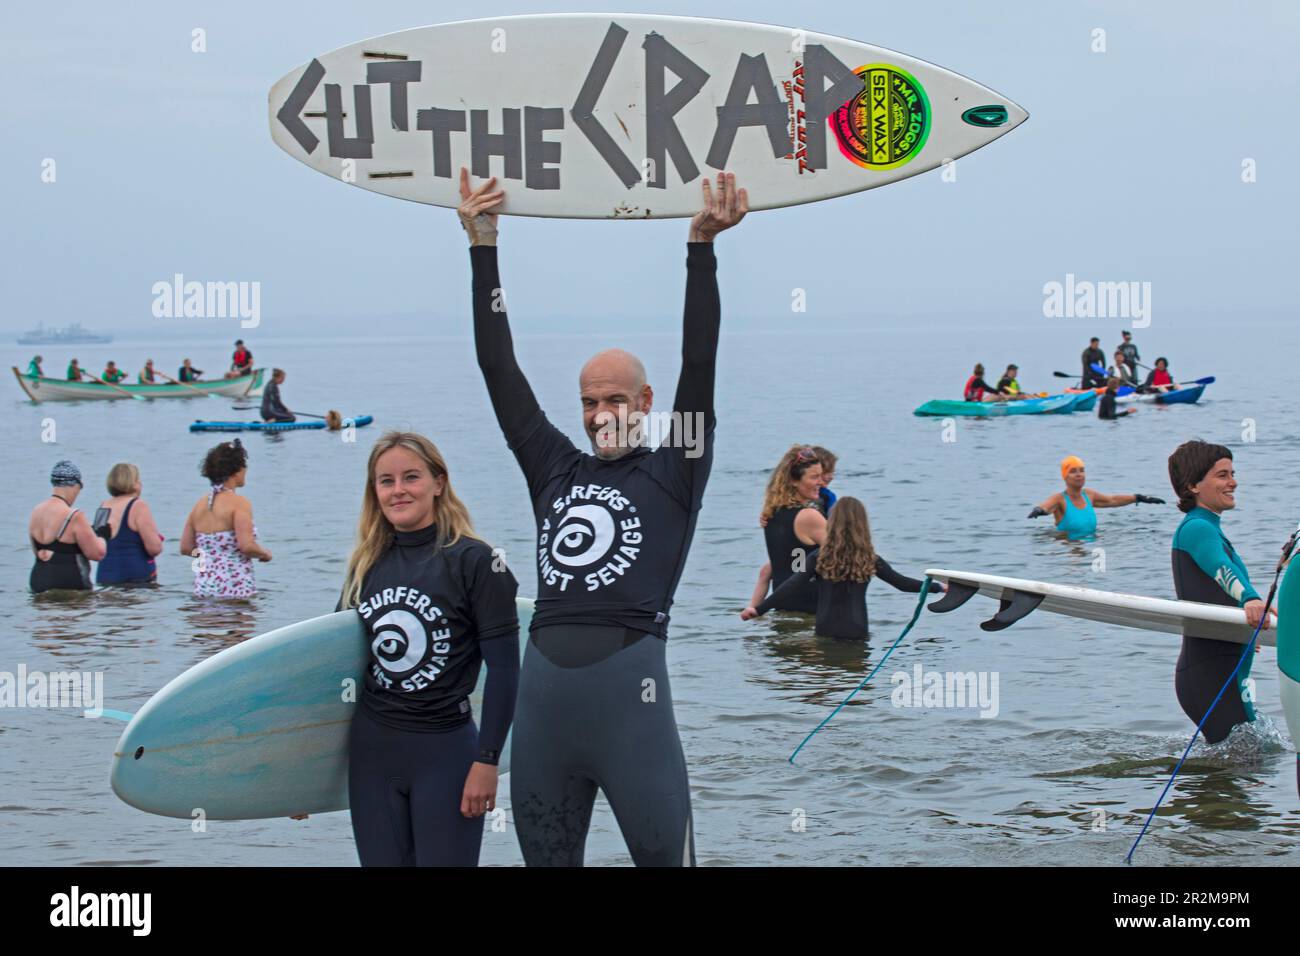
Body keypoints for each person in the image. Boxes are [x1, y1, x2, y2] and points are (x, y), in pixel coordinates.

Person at [460, 165, 746, 866]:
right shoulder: (554, 468)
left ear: (644, 401)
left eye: (614, 399)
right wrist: (482, 244)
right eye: (589, 401)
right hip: (545, 710)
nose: (599, 414)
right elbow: (500, 370)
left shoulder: (675, 466)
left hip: (633, 705)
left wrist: (701, 248)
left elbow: (700, 359)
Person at [338, 431, 520, 866]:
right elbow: (339, 671)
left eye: (411, 477)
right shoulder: (365, 565)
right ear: (374, 491)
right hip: (371, 756)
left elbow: (506, 671)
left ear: (438, 482)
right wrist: (296, 777)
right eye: (386, 481)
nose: (398, 490)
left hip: (446, 754)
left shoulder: (477, 562)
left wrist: (487, 762)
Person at [1167, 441, 1271, 743]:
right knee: (1246, 766)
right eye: (1222, 475)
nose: (1233, 482)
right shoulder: (1197, 528)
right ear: (1193, 485)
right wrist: (1249, 599)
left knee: (1246, 765)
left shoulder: (1207, 527)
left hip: (1223, 673)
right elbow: (1221, 569)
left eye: (1232, 473)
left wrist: (1244, 628)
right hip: (1209, 677)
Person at [741, 497, 941, 639]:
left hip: (825, 630)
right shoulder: (869, 559)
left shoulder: (819, 558)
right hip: (857, 631)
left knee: (829, 685)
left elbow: (790, 586)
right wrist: (939, 588)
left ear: (832, 524)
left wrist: (758, 610)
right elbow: (902, 584)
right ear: (863, 525)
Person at [179, 440, 272, 597]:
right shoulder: (239, 503)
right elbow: (246, 545)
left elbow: (186, 548)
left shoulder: (199, 505)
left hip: (203, 588)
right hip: (235, 588)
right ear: (237, 471)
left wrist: (210, 560)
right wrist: (264, 554)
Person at [748, 446, 827, 615]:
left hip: (782, 606)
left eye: (821, 476)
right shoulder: (809, 516)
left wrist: (754, 609)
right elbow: (846, 554)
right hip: (813, 609)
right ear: (793, 480)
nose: (822, 482)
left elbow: (771, 568)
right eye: (815, 477)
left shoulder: (770, 514)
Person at [1028, 455, 1165, 539]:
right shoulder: (1060, 499)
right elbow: (1046, 506)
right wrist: (1039, 510)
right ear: (1065, 476)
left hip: (1091, 544)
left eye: (1082, 470)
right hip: (1067, 548)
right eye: (1073, 471)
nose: (1079, 474)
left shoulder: (1089, 495)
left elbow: (1112, 500)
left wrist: (1138, 497)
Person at [28, 461, 107, 593]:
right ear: (74, 484)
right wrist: (102, 535)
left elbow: (37, 552)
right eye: (80, 486)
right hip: (69, 584)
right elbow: (97, 553)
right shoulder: (74, 516)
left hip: (38, 581)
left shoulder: (36, 512)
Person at [96, 463, 163, 586]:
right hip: (135, 578)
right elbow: (154, 548)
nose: (141, 484)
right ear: (132, 483)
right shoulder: (138, 506)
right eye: (138, 480)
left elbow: (97, 546)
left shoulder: (103, 506)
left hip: (104, 576)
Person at [812, 446, 838, 514]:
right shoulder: (828, 496)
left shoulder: (828, 497)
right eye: (828, 472)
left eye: (833, 472)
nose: (832, 477)